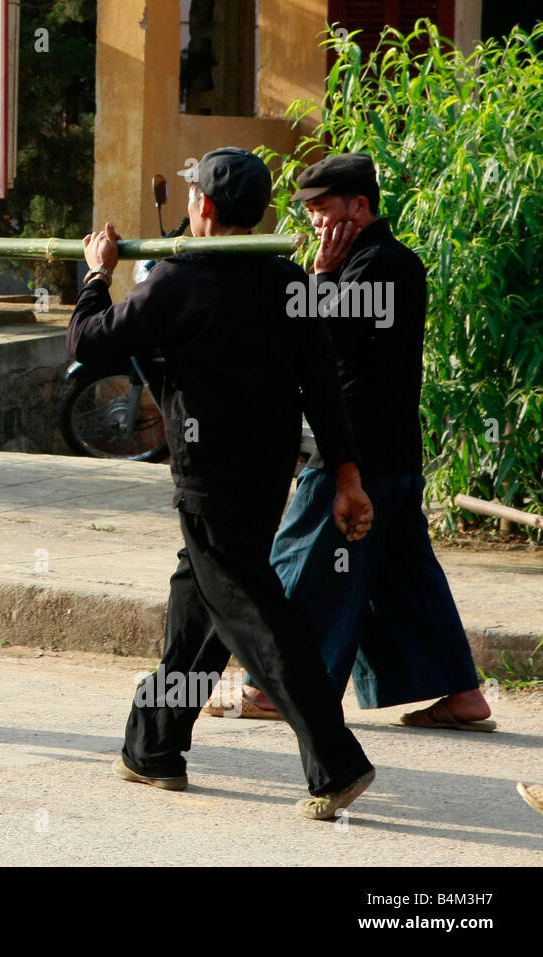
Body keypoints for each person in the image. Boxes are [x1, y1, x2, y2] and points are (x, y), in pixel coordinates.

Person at [67, 147, 377, 820]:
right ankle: (153, 743)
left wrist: (97, 274)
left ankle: (335, 761)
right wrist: (347, 473)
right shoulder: (286, 282)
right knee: (198, 602)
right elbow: (322, 386)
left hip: (208, 482)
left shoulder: (180, 280)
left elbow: (90, 340)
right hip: (265, 477)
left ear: (202, 207)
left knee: (255, 616)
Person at [208, 154, 493, 731]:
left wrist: (320, 278)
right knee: (403, 578)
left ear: (358, 206)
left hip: (354, 457)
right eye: (308, 211)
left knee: (298, 561)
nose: (313, 222)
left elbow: (307, 343)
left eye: (321, 209)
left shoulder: (373, 269)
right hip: (392, 456)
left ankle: (270, 687)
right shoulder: (387, 261)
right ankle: (463, 695)